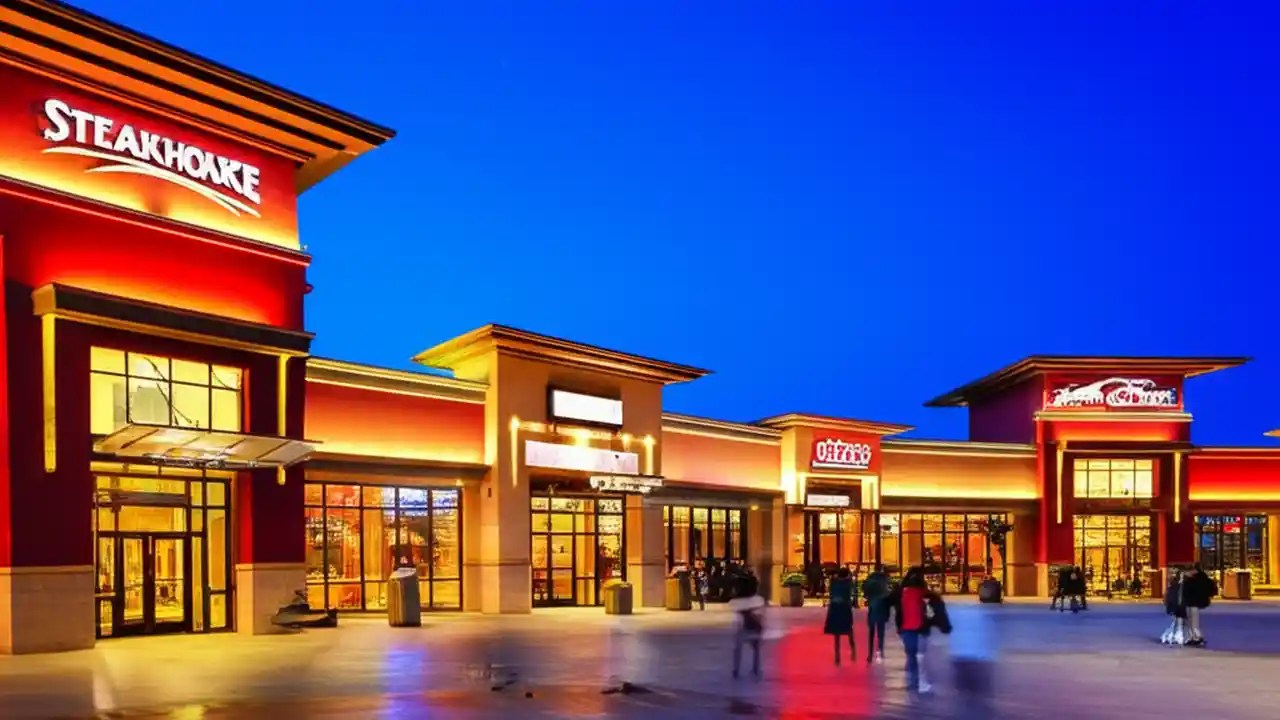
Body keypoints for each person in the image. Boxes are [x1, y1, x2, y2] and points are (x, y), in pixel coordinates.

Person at [888, 566, 946, 694]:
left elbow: (889, 602)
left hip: (906, 629)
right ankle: (920, 681)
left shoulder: (901, 592)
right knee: (920, 655)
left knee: (911, 655)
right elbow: (935, 610)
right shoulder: (925, 593)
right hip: (921, 628)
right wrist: (942, 625)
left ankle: (913, 681)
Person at [947, 601, 997, 719]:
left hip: (960, 657)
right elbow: (989, 636)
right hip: (978, 659)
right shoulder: (985, 615)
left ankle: (965, 710)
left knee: (964, 693)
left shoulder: (954, 613)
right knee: (979, 693)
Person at [729, 573, 765, 678]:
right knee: (756, 649)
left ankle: (736, 670)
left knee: (738, 649)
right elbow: (760, 614)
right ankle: (755, 669)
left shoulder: (737, 601)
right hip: (756, 627)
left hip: (744, 628)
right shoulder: (758, 600)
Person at [824, 567, 857, 664]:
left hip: (835, 608)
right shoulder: (848, 583)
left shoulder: (834, 583)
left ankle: (837, 657)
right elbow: (851, 584)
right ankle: (853, 650)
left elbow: (831, 586)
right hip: (844, 608)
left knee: (836, 633)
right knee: (848, 629)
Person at [861, 564, 892, 664]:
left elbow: (865, 591)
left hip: (872, 607)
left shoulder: (870, 579)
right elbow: (887, 594)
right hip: (881, 607)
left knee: (871, 631)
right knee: (881, 631)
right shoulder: (884, 580)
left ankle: (870, 654)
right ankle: (880, 650)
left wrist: (868, 598)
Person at [1182, 564, 1217, 646]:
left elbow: (1188, 591)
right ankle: (1193, 637)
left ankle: (1197, 637)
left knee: (1193, 621)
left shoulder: (1194, 580)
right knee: (1190, 621)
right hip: (1192, 602)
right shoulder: (1201, 579)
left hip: (1193, 602)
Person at [1161, 570, 1187, 646]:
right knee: (1176, 623)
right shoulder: (1176, 586)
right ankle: (1172, 636)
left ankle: (1172, 636)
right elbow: (1170, 598)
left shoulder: (1176, 586)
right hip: (1177, 607)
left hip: (1178, 607)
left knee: (1177, 623)